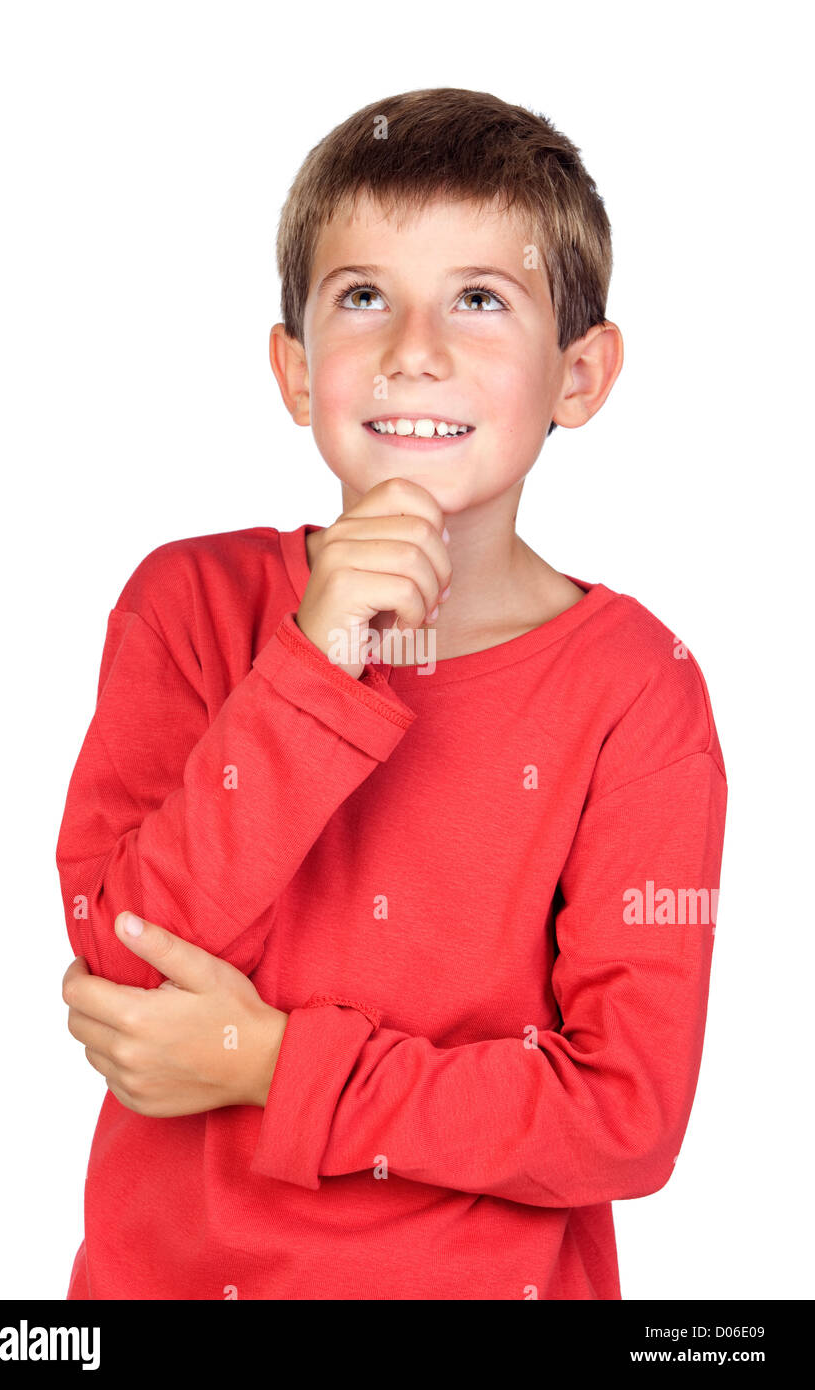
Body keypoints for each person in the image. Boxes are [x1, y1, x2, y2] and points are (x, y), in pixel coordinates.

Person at [56, 86, 728, 1300]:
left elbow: (623, 1116)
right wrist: (309, 668)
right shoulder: (183, 605)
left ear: (579, 374)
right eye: (362, 296)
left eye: (480, 298)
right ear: (296, 367)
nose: (414, 348)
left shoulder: (638, 690)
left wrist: (270, 1063)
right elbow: (125, 979)